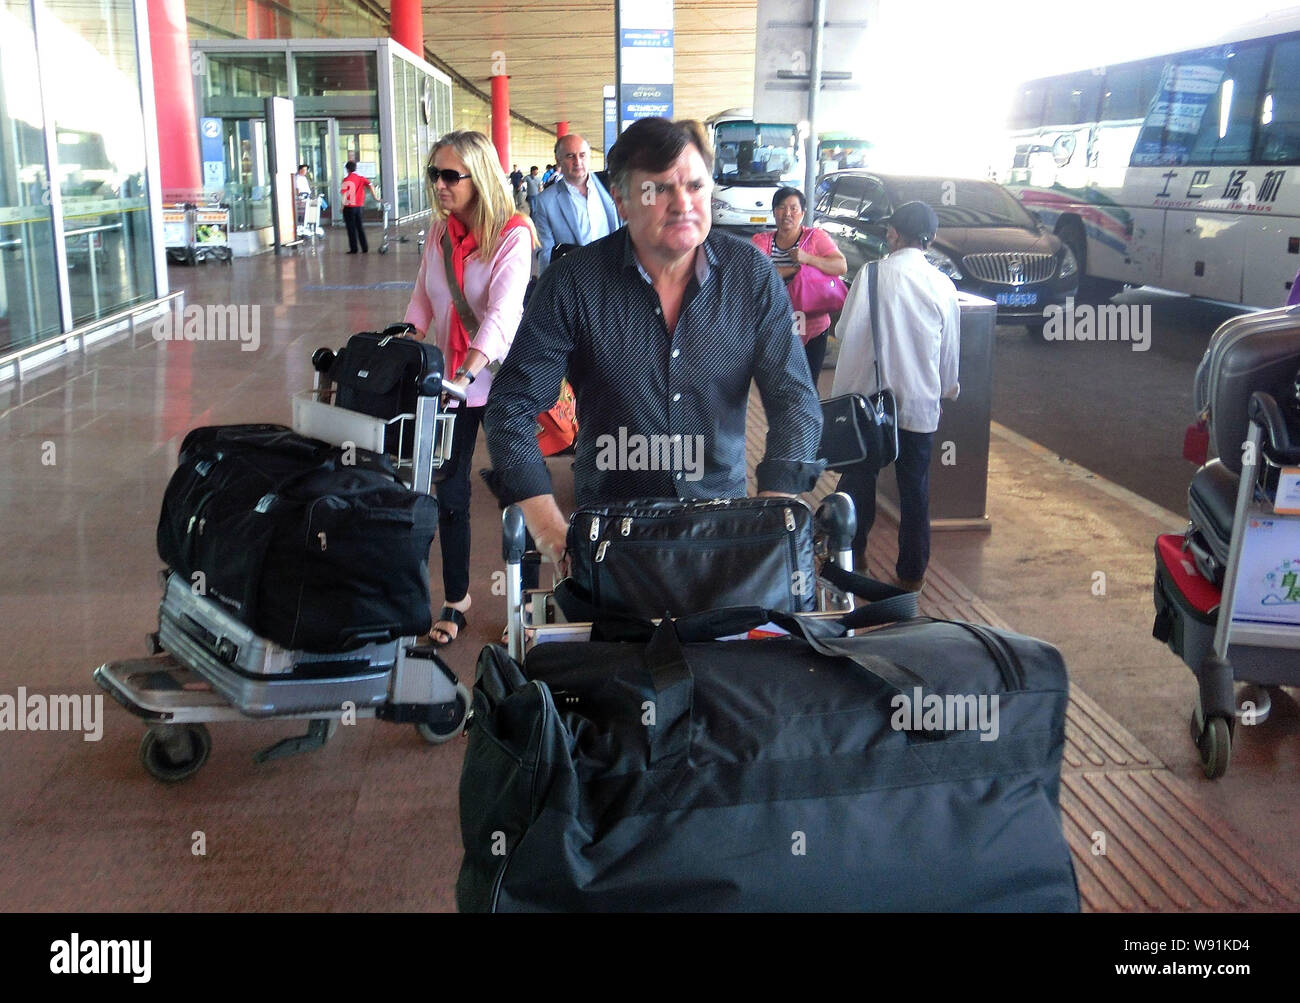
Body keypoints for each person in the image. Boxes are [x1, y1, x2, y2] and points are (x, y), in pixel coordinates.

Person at [484, 116, 823, 571]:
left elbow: (795, 399)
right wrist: (547, 527)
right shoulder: (573, 285)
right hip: (611, 540)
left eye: (696, 186)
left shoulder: (751, 277)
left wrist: (772, 508)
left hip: (719, 535)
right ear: (622, 200)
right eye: (660, 189)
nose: (683, 203)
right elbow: (511, 405)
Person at [402, 131, 536, 646]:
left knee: (523, 491)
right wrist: (401, 344)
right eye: (434, 173)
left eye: (449, 175)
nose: (439, 184)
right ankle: (457, 600)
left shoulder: (511, 235)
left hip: (502, 381)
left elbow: (504, 315)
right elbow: (423, 302)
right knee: (451, 492)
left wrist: (468, 372)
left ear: (479, 179)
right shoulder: (438, 236)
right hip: (454, 386)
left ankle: (527, 606)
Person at [830, 201, 960, 594]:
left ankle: (855, 558)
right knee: (915, 490)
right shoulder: (943, 286)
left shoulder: (871, 276)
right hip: (919, 407)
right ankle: (911, 574)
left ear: (892, 234)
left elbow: (844, 331)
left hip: (869, 407)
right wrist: (948, 389)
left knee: (857, 481)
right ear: (931, 239)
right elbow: (949, 353)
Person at [751, 186, 847, 384]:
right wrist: (795, 270)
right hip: (775, 321)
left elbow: (840, 266)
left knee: (809, 383)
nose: (787, 213)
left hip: (812, 323)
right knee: (778, 383)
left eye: (793, 208)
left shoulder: (816, 237)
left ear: (802, 213)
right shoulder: (761, 240)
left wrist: (807, 259)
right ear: (773, 212)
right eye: (781, 207)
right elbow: (757, 275)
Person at [530, 133, 621, 270]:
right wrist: (545, 286)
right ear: (558, 160)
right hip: (575, 280)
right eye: (570, 156)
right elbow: (546, 252)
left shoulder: (609, 186)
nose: (577, 161)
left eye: (582, 155)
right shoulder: (545, 201)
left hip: (613, 272)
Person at [340, 160, 376, 254]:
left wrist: (342, 206)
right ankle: (365, 247)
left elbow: (344, 195)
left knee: (351, 228)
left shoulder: (346, 180)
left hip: (349, 207)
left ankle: (354, 248)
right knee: (360, 227)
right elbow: (370, 185)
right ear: (355, 168)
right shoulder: (361, 178)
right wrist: (375, 197)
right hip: (359, 206)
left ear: (347, 169)